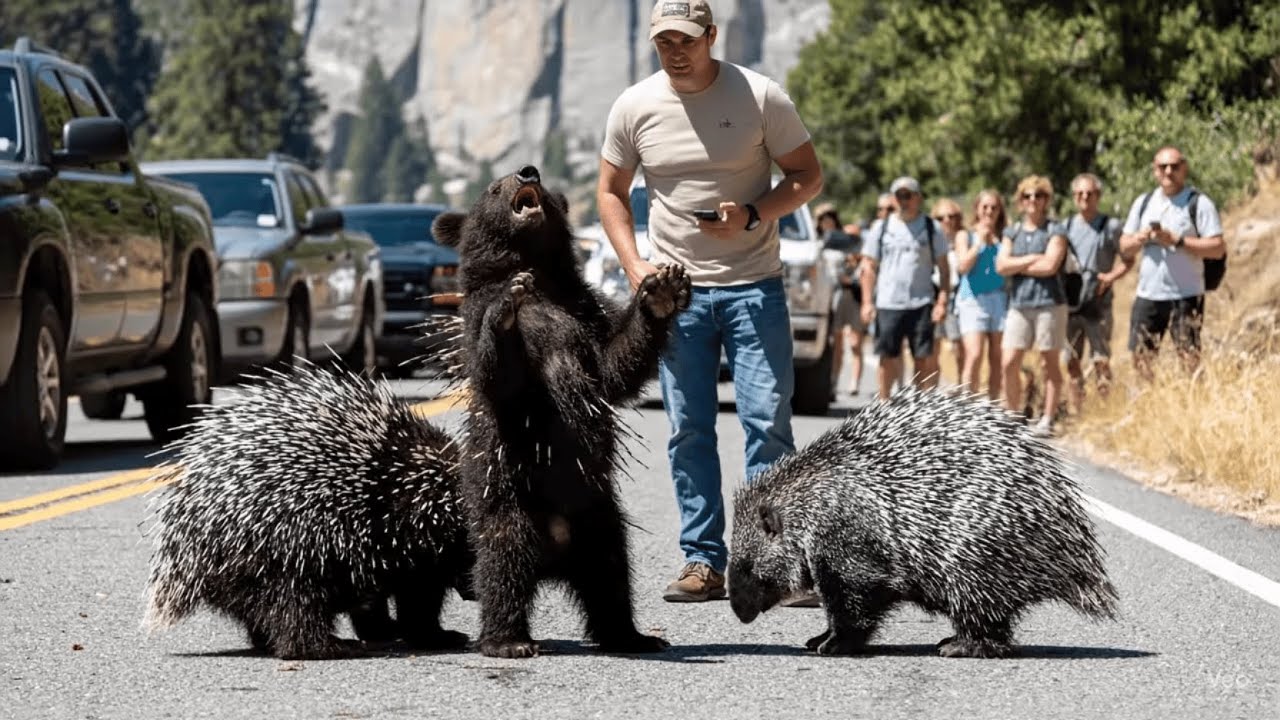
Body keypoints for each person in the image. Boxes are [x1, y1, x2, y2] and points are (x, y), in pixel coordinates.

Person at [597, 0, 823, 603]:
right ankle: (703, 561)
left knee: (766, 428)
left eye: (687, 39)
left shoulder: (760, 96)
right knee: (689, 430)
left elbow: (807, 176)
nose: (675, 50)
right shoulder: (635, 105)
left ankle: (774, 562)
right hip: (678, 297)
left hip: (754, 286)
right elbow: (611, 193)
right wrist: (636, 266)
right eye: (665, 40)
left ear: (712, 36)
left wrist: (753, 213)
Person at [1118, 146, 1226, 378]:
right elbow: (1124, 246)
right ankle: (1149, 406)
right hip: (1148, 294)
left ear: (1184, 169)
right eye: (1162, 167)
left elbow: (1217, 248)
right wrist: (1141, 238)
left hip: (1186, 294)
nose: (1168, 171)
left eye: (1174, 166)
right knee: (1141, 358)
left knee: (1189, 358)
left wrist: (1177, 241)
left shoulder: (1199, 203)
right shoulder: (1143, 202)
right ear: (1154, 170)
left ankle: (1192, 406)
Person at [860, 177, 950, 400]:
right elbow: (868, 266)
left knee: (922, 357)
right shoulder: (881, 228)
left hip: (921, 302)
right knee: (887, 356)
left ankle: (917, 409)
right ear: (893, 198)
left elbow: (945, 269)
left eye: (908, 195)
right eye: (899, 196)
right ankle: (884, 404)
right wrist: (867, 302)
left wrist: (942, 302)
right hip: (888, 302)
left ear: (918, 198)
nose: (903, 201)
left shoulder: (932, 228)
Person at [996, 175, 1069, 438]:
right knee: (1009, 362)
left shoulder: (1055, 230)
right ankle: (1012, 418)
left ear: (1046, 200)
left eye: (1038, 195)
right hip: (1019, 303)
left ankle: (1047, 418)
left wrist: (1018, 263)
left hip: (1050, 303)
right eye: (1027, 195)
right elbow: (1001, 266)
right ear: (1020, 201)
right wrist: (1032, 258)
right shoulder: (1011, 231)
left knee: (1049, 361)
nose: (1033, 200)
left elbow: (1050, 266)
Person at [1061, 173, 1130, 411]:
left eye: (1090, 193)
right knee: (1070, 359)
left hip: (1099, 302)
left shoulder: (1111, 227)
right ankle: (1076, 410)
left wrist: (1110, 278)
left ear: (1098, 196)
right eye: (1080, 193)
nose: (1085, 198)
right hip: (1071, 303)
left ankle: (1104, 410)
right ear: (1073, 197)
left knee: (1100, 358)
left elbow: (1128, 260)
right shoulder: (1066, 226)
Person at [952, 189, 1008, 400]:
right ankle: (967, 408)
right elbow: (963, 266)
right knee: (974, 355)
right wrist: (979, 244)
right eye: (985, 207)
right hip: (973, 300)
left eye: (994, 207)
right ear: (977, 209)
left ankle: (992, 408)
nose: (989, 211)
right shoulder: (965, 235)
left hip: (1000, 298)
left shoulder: (1005, 235)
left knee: (998, 357)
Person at [814, 203, 867, 396]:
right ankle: (832, 381)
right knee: (833, 342)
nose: (826, 221)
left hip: (848, 293)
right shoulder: (815, 241)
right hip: (825, 295)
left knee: (854, 342)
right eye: (822, 218)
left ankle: (854, 383)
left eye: (830, 217)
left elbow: (859, 261)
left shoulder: (843, 240)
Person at [931, 198, 966, 385]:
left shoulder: (963, 240)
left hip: (957, 297)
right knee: (933, 347)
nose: (946, 220)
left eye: (951, 216)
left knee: (957, 346)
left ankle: (960, 386)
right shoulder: (929, 241)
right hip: (935, 296)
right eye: (941, 217)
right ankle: (931, 391)